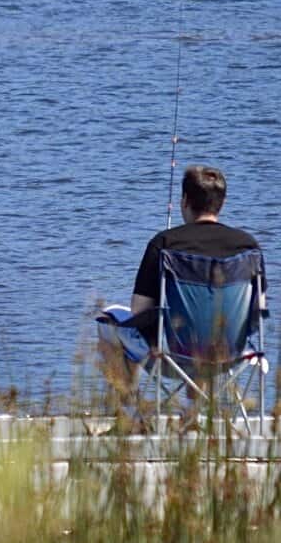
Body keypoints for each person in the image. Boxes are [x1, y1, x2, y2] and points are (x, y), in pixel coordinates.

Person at [98, 165, 266, 398]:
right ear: (222, 203)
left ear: (185, 201)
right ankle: (195, 411)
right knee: (203, 324)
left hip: (174, 359)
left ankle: (127, 412)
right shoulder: (249, 247)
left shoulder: (164, 243)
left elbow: (139, 310)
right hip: (231, 356)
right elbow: (258, 309)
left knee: (107, 321)